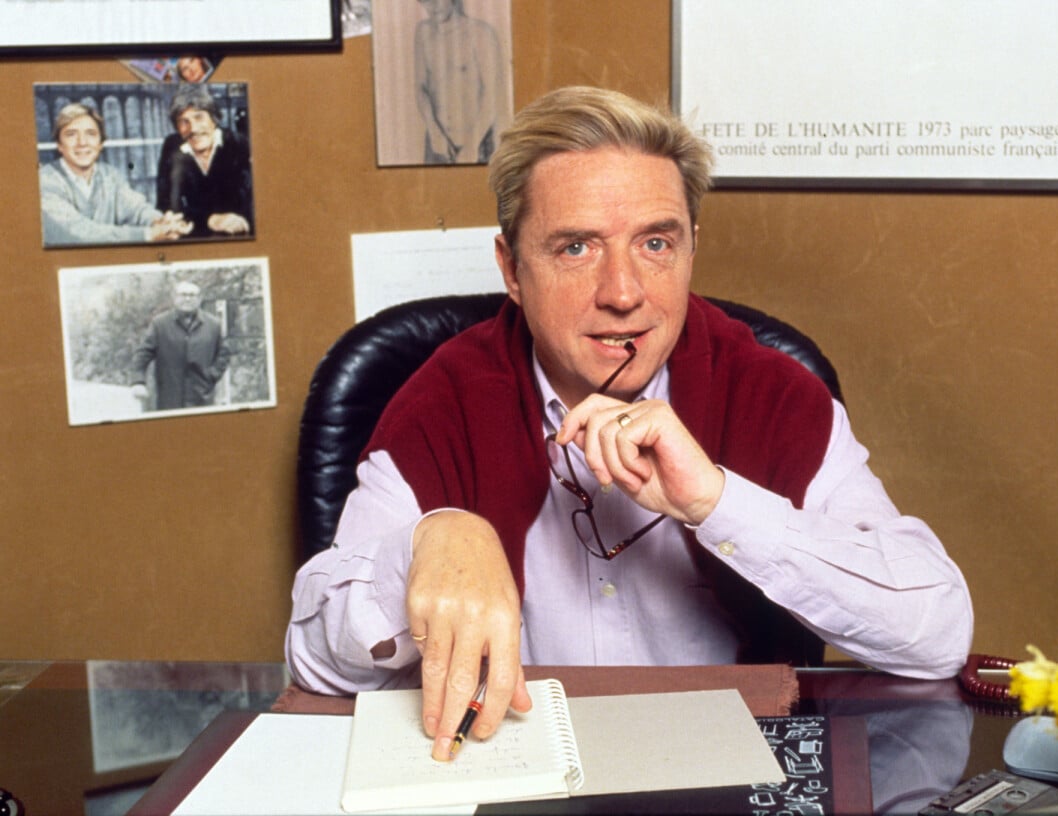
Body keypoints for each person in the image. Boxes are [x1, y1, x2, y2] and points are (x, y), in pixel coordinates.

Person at [286, 86, 973, 761]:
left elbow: (937, 632)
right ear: (512, 269)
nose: (623, 293)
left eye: (654, 243)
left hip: (731, 772)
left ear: (691, 248)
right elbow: (315, 664)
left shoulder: (772, 390)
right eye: (576, 248)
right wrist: (424, 546)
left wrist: (717, 502)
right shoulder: (441, 400)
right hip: (513, 773)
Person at [39, 103, 192, 246]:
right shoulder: (44, 180)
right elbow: (77, 233)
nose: (82, 142)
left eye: (91, 134)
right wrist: (148, 234)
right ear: (59, 145)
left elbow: (136, 210)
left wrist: (161, 222)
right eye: (71, 134)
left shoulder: (109, 175)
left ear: (100, 143)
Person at [413, 0, 506, 164]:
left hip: (476, 142)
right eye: (426, 1)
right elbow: (421, 88)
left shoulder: (480, 33)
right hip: (437, 144)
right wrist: (435, 133)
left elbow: (493, 94)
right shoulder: (423, 32)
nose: (433, 7)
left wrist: (472, 145)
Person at [156, 85, 254, 237]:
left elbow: (252, 204)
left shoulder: (238, 144)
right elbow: (166, 207)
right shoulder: (172, 147)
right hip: (193, 238)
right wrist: (209, 220)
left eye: (199, 117)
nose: (193, 128)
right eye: (183, 121)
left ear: (214, 119)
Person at [130, 280, 231, 410]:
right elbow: (143, 354)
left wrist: (211, 376)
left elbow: (224, 354)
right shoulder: (160, 324)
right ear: (175, 298)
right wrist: (138, 381)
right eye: (183, 295)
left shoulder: (213, 325)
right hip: (169, 397)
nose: (187, 299)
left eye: (192, 295)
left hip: (202, 397)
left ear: (199, 299)